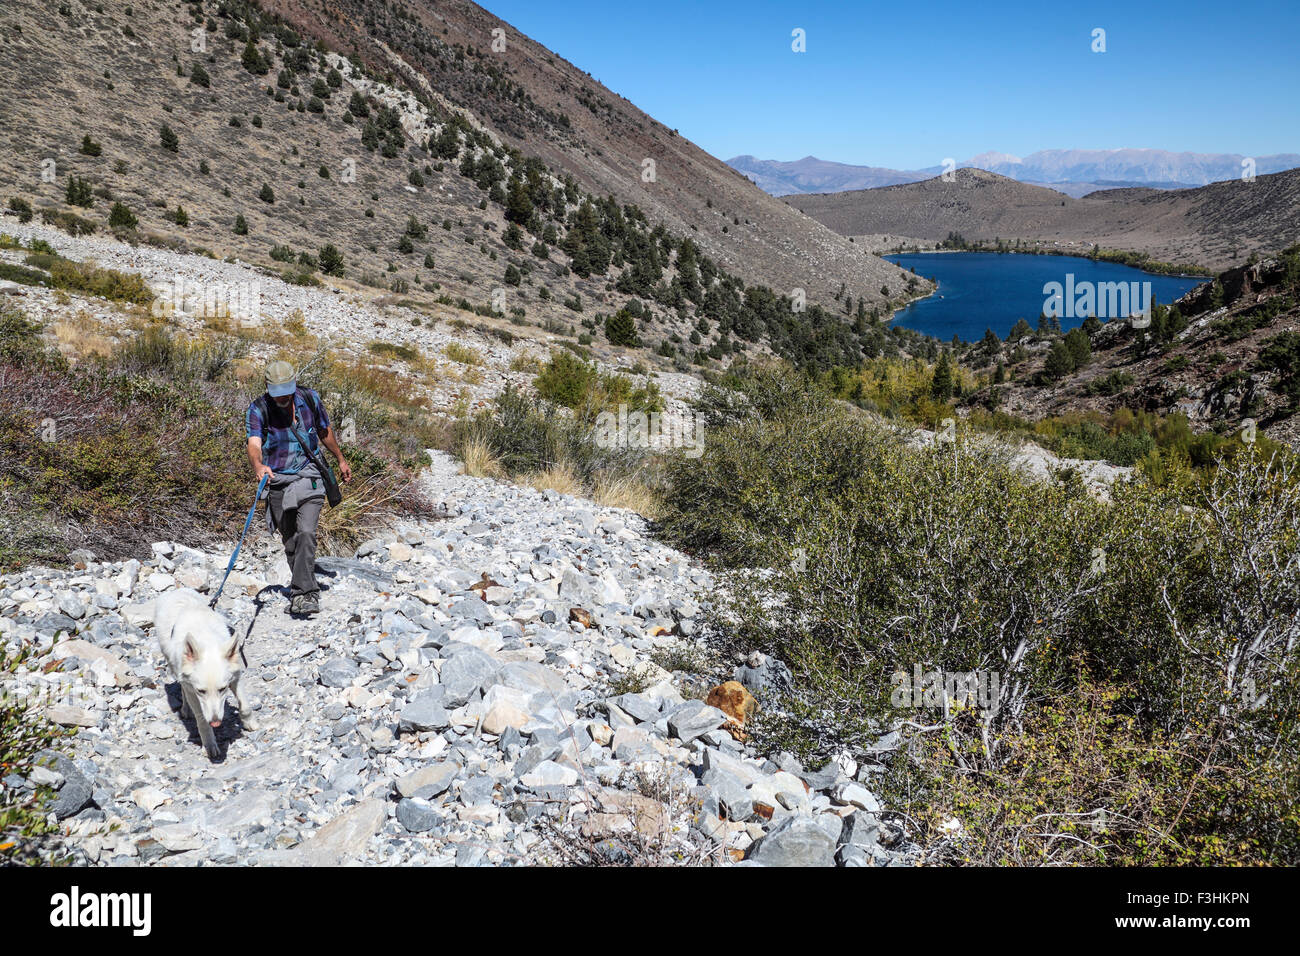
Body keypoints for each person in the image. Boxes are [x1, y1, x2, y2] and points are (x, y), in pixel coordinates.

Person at [245, 361, 351, 615]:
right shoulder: (258, 409)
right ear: (267, 388)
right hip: (278, 479)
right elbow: (254, 442)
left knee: (306, 532)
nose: (282, 397)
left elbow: (324, 431)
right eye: (277, 392)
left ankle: (305, 594)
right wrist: (258, 466)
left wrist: (340, 459)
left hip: (309, 474)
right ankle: (304, 584)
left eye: (286, 390)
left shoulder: (309, 398)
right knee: (290, 540)